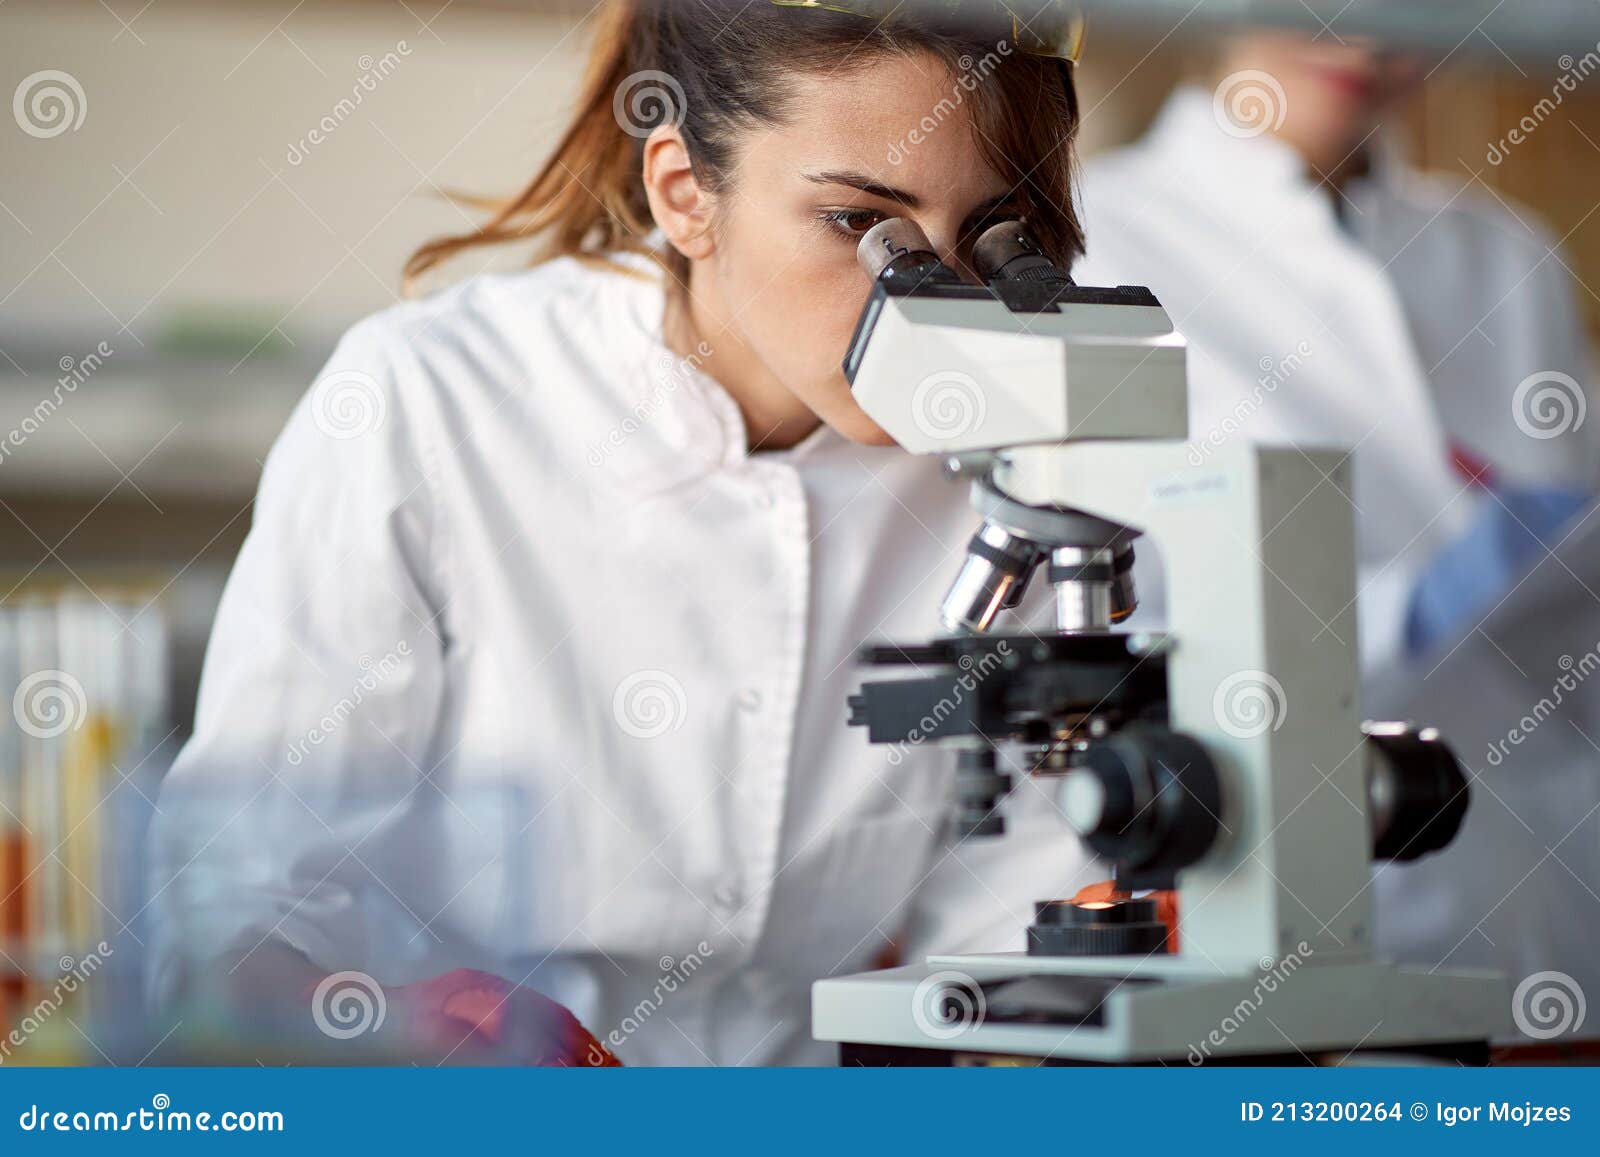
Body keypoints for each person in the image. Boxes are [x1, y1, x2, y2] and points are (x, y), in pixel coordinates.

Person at [147, 0, 1103, 1066]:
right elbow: (250, 902)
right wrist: (425, 1025)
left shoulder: (1019, 463)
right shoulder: (429, 399)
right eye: (858, 226)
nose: (933, 304)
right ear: (686, 194)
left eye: (987, 237)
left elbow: (1026, 915)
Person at [1076, 32, 1596, 674]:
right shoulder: (1091, 242)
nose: (1363, 39)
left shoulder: (1510, 254)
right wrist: (1403, 615)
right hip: (1278, 764)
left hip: (1540, 767)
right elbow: (1108, 631)